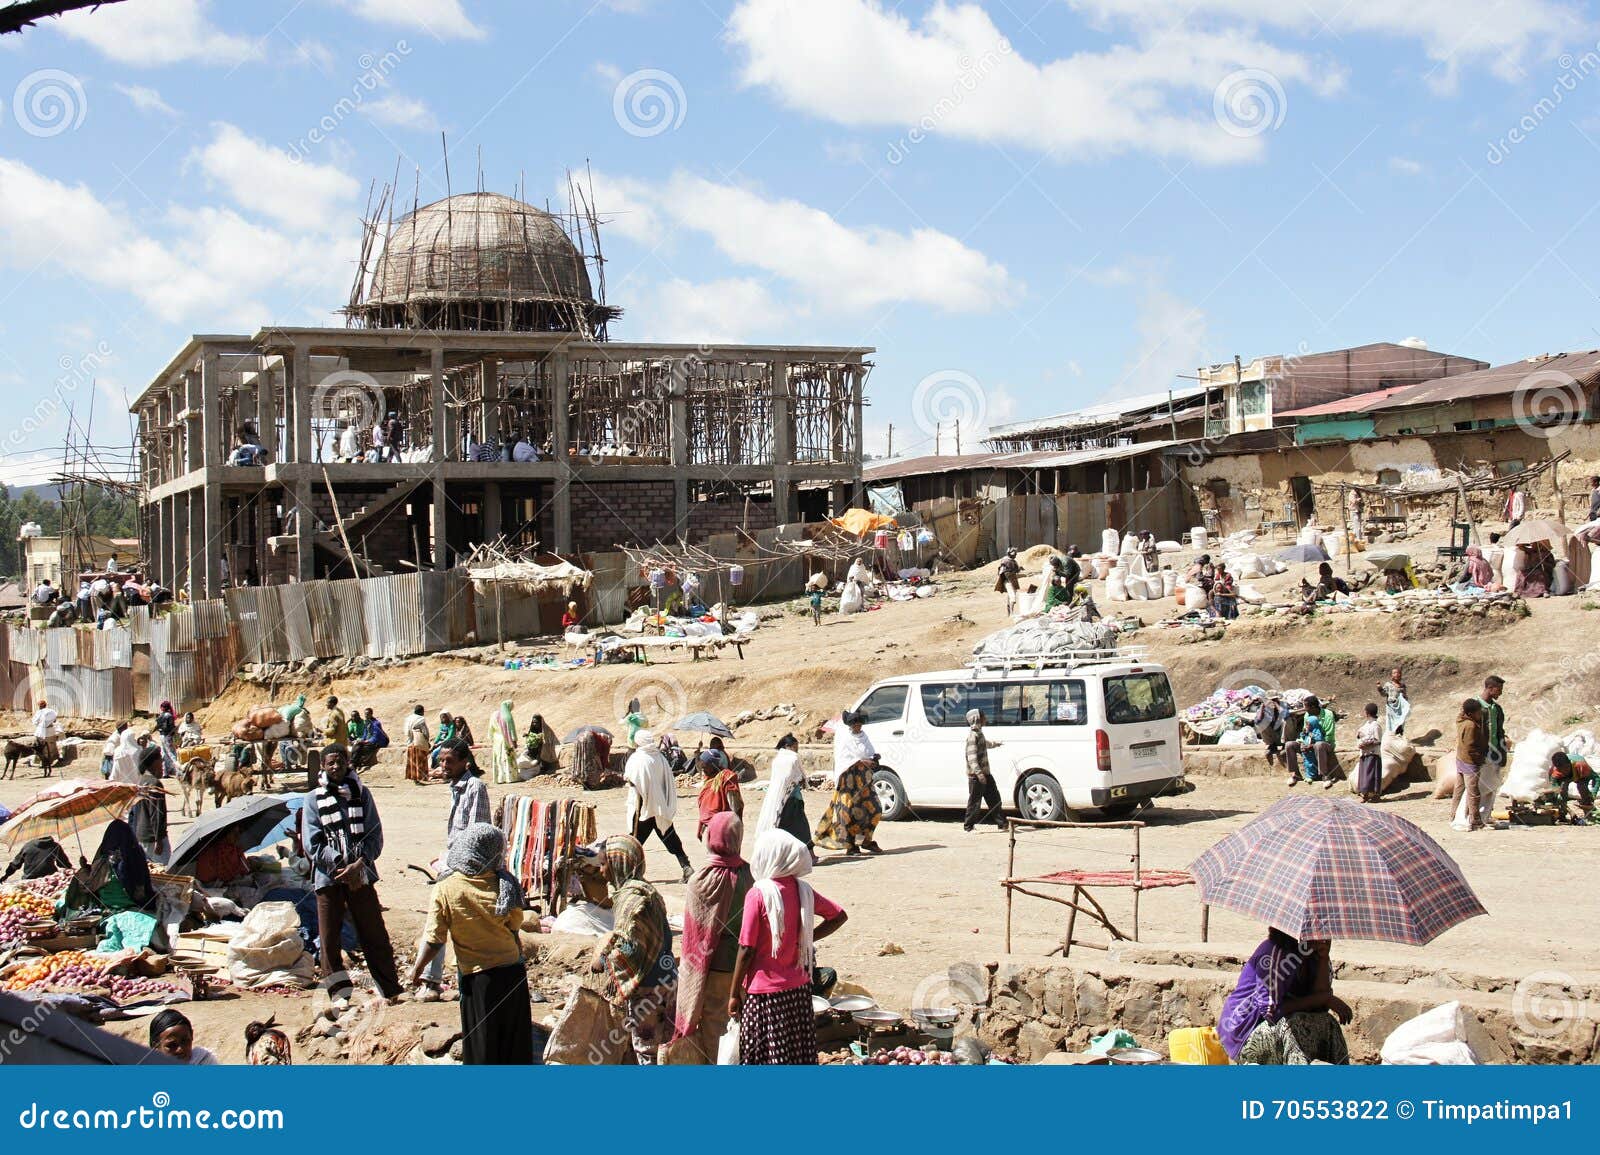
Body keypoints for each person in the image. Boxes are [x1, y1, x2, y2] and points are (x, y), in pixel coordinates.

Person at [410, 823, 533, 1065]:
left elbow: (435, 939)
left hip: (478, 981)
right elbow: (514, 926)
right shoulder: (506, 884)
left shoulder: (446, 888)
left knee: (482, 1048)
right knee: (515, 1049)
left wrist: (416, 970)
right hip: (513, 975)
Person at [729, 829, 848, 1065]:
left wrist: (733, 994)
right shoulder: (802, 890)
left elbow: (746, 949)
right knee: (796, 1054)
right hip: (798, 991)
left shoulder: (758, 894)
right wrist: (804, 938)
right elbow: (838, 915)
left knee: (762, 1055)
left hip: (765, 995)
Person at [302, 745, 402, 1005]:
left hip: (361, 874)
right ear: (323, 766)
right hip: (328, 877)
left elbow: (374, 834)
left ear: (348, 763)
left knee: (374, 932)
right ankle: (338, 994)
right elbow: (312, 843)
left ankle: (389, 988)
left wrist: (360, 863)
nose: (336, 767)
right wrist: (338, 864)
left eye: (340, 762)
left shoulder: (362, 793)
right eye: (330, 763)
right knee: (329, 937)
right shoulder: (313, 799)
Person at [668, 811, 753, 1064]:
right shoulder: (750, 876)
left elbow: (694, 932)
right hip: (744, 965)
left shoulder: (699, 880)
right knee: (738, 1021)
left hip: (710, 966)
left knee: (714, 1025)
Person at [416, 739, 492, 1000]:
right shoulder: (456, 788)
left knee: (445, 919)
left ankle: (430, 979)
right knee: (440, 919)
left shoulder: (475, 787)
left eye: (449, 761)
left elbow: (477, 835)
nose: (443, 765)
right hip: (453, 862)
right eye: (441, 760)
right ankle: (431, 979)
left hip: (467, 868)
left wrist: (454, 869)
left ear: (465, 762)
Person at [591, 834, 676, 1065]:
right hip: (666, 976)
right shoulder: (647, 890)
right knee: (665, 1048)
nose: (601, 871)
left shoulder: (630, 898)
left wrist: (604, 961)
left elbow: (631, 949)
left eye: (604, 864)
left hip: (648, 986)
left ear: (619, 864)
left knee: (647, 1050)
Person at [1219, 930, 1351, 1064]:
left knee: (1328, 1023)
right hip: (1244, 1034)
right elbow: (1270, 1013)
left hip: (1280, 1023)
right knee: (1292, 1024)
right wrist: (1322, 999)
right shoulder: (1274, 952)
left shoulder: (1312, 955)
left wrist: (1323, 958)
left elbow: (1320, 1007)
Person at [625, 731, 693, 881]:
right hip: (660, 805)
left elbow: (632, 780)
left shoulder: (637, 758)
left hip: (642, 806)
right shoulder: (660, 757)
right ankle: (686, 866)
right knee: (669, 835)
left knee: (635, 840)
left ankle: (630, 874)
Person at [815, 710, 883, 856]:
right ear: (850, 725)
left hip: (864, 780)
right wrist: (860, 761)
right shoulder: (844, 738)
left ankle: (864, 840)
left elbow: (868, 752)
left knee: (873, 809)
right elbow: (843, 759)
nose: (858, 728)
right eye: (855, 725)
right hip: (848, 781)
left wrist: (874, 757)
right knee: (848, 813)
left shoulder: (864, 736)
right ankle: (851, 846)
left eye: (860, 725)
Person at [756, 734, 811, 850]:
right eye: (795, 748)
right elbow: (798, 778)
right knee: (802, 828)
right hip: (793, 799)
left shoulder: (777, 760)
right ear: (788, 746)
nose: (797, 750)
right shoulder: (793, 758)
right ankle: (810, 854)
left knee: (783, 828)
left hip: (778, 801)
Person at [963, 709, 1006, 833]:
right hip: (977, 776)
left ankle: (1002, 824)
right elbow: (971, 758)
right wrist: (979, 773)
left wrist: (995, 744)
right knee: (975, 802)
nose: (986, 719)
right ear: (977, 719)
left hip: (985, 774)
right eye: (983, 717)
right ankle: (969, 827)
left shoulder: (979, 734)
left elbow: (985, 744)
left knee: (994, 798)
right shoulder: (972, 736)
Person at [128, 747, 170, 865]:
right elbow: (156, 814)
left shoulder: (140, 782)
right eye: (160, 760)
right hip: (153, 838)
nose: (162, 763)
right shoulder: (155, 784)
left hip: (141, 836)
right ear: (154, 762)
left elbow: (133, 813)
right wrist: (159, 840)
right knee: (163, 871)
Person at [1453, 698, 1487, 832]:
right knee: (1473, 794)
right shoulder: (1471, 726)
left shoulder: (1460, 721)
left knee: (1458, 790)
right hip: (1470, 762)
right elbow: (1470, 746)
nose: (1481, 715)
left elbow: (1461, 712)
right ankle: (1475, 820)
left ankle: (1453, 816)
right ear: (1472, 713)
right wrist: (1479, 759)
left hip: (1460, 760)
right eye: (1479, 712)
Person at [697, 749, 743, 840]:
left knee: (724, 852)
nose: (702, 768)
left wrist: (735, 826)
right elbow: (705, 805)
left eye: (705, 765)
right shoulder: (708, 779)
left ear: (713, 765)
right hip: (710, 827)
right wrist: (701, 826)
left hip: (723, 827)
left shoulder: (727, 777)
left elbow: (735, 804)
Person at [148, 1010, 218, 1065]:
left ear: (191, 1036)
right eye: (172, 1045)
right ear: (155, 1047)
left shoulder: (203, 1061)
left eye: (185, 1041)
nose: (180, 1049)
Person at [1549, 751, 1596, 818]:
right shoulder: (1555, 771)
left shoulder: (1581, 765)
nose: (1563, 771)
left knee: (1582, 788)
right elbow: (1553, 784)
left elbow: (1596, 778)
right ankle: (1562, 813)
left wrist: (1594, 793)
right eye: (1560, 770)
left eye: (1565, 768)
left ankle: (1588, 812)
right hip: (1565, 777)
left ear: (1569, 764)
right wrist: (1556, 793)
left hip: (1579, 773)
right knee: (1562, 789)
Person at [1355, 703, 1384, 803]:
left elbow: (1378, 740)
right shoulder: (1366, 725)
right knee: (1364, 775)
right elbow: (1361, 735)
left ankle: (1375, 795)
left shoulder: (1376, 725)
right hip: (1364, 753)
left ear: (1367, 713)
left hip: (1372, 753)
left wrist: (1367, 744)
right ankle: (1365, 795)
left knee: (1371, 775)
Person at [1479, 675, 1509, 773]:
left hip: (1495, 753)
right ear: (1490, 688)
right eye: (1499, 689)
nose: (1501, 693)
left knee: (1493, 784)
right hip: (1480, 754)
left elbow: (1500, 730)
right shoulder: (1474, 707)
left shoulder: (1497, 709)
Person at [489, 699, 518, 785]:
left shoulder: (494, 714)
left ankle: (499, 778)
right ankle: (510, 778)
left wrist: (492, 738)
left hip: (496, 739)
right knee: (507, 758)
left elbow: (490, 728)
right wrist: (514, 740)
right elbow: (512, 730)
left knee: (498, 758)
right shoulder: (507, 716)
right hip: (505, 740)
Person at [1252, 694, 1284, 766]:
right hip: (1274, 737)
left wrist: (1277, 706)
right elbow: (1258, 720)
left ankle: (1285, 744)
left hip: (1283, 737)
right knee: (1261, 723)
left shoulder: (1283, 706)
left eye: (1274, 700)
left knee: (1285, 721)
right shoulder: (1265, 710)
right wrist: (1262, 707)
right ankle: (1272, 745)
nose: (1272, 702)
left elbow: (1285, 715)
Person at [1378, 667, 1410, 736]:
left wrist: (1405, 700)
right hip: (1391, 707)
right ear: (1391, 675)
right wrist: (1379, 688)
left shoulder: (1403, 685)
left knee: (1400, 723)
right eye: (1394, 673)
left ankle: (1399, 737)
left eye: (1398, 673)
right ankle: (1391, 737)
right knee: (1391, 723)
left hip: (1400, 708)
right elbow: (1383, 694)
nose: (1397, 674)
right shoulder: (1388, 684)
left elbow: (1405, 696)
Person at [404, 705, 431, 784]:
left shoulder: (408, 719)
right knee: (420, 761)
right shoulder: (421, 720)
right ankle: (418, 778)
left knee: (413, 760)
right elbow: (425, 732)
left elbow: (406, 731)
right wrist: (427, 741)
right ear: (421, 711)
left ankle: (414, 778)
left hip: (410, 742)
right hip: (419, 743)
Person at [30, 699, 59, 772]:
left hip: (42, 732)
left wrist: (41, 723)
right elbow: (55, 720)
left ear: (41, 705)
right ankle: (50, 761)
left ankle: (45, 762)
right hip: (49, 731)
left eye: (39, 705)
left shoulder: (39, 712)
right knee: (50, 747)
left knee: (44, 748)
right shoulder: (51, 711)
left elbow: (34, 721)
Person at [995, 547, 1021, 614]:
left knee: (1010, 597)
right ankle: (1011, 613)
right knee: (1013, 598)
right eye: (1014, 554)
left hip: (1012, 581)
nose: (1015, 555)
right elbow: (1003, 572)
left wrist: (1018, 569)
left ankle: (1009, 613)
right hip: (1008, 581)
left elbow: (1015, 570)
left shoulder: (1012, 561)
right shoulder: (1006, 561)